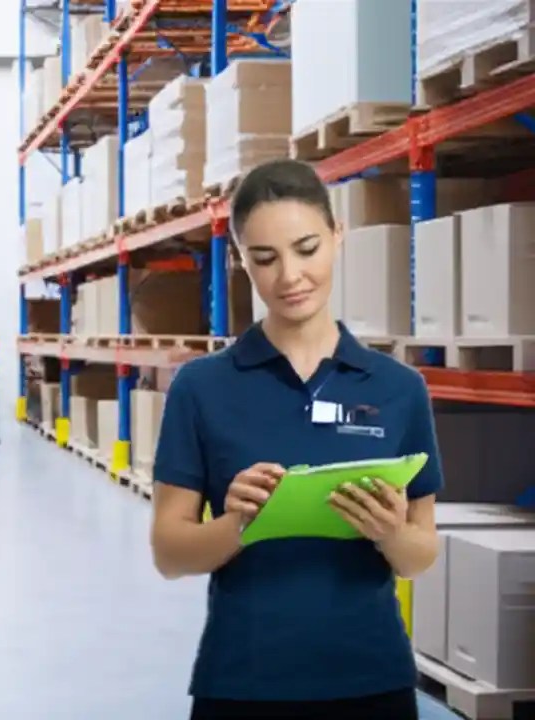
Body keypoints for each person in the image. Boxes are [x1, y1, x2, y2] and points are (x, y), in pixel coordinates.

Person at [149, 159, 442, 720]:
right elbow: (168, 552)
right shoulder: (202, 387)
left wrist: (389, 532)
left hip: (371, 680)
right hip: (242, 682)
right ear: (241, 260)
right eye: (265, 258)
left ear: (337, 235)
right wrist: (239, 524)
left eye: (307, 249)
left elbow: (420, 555)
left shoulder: (399, 388)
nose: (290, 276)